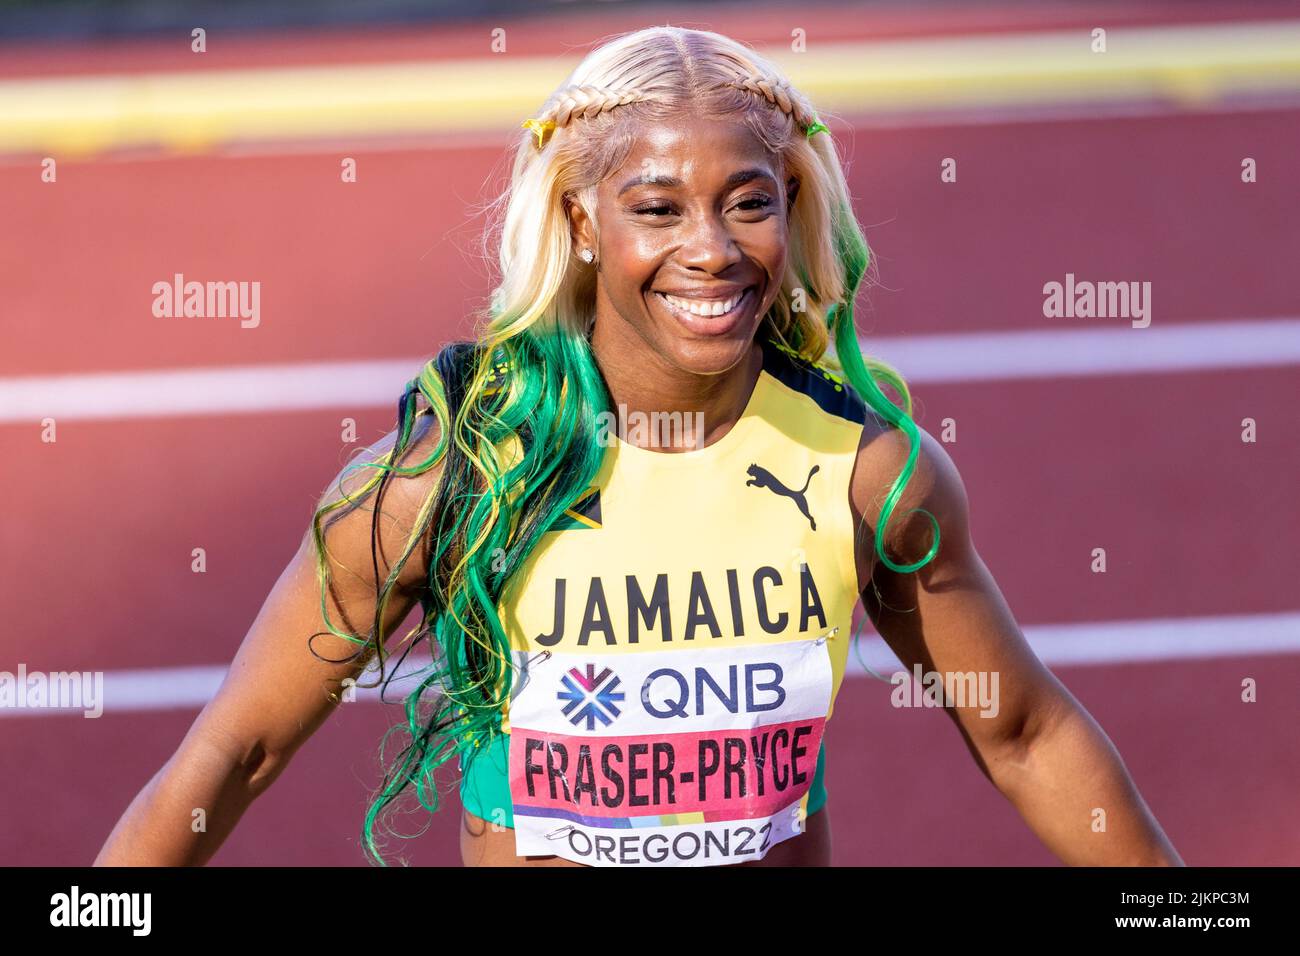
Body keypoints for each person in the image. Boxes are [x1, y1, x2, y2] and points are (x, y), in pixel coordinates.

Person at [96, 25, 1183, 868]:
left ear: (790, 205)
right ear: (579, 220)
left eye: (747, 202)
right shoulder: (454, 478)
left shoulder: (868, 473)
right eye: (656, 208)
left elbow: (1028, 735)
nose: (709, 250)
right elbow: (233, 753)